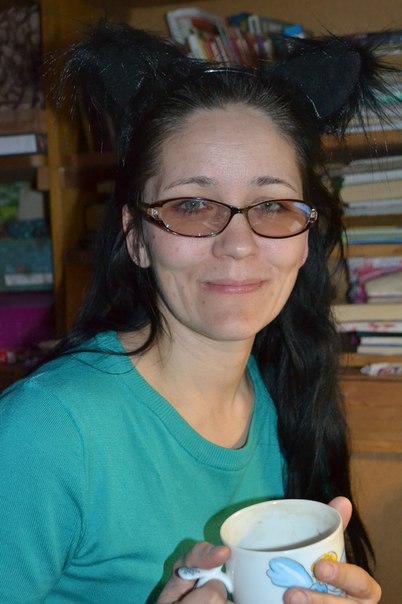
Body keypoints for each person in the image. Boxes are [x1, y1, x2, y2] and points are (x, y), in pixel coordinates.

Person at [0, 20, 391, 604]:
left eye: (272, 206)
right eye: (191, 204)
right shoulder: (47, 431)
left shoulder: (288, 392)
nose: (238, 244)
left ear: (305, 236)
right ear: (136, 238)